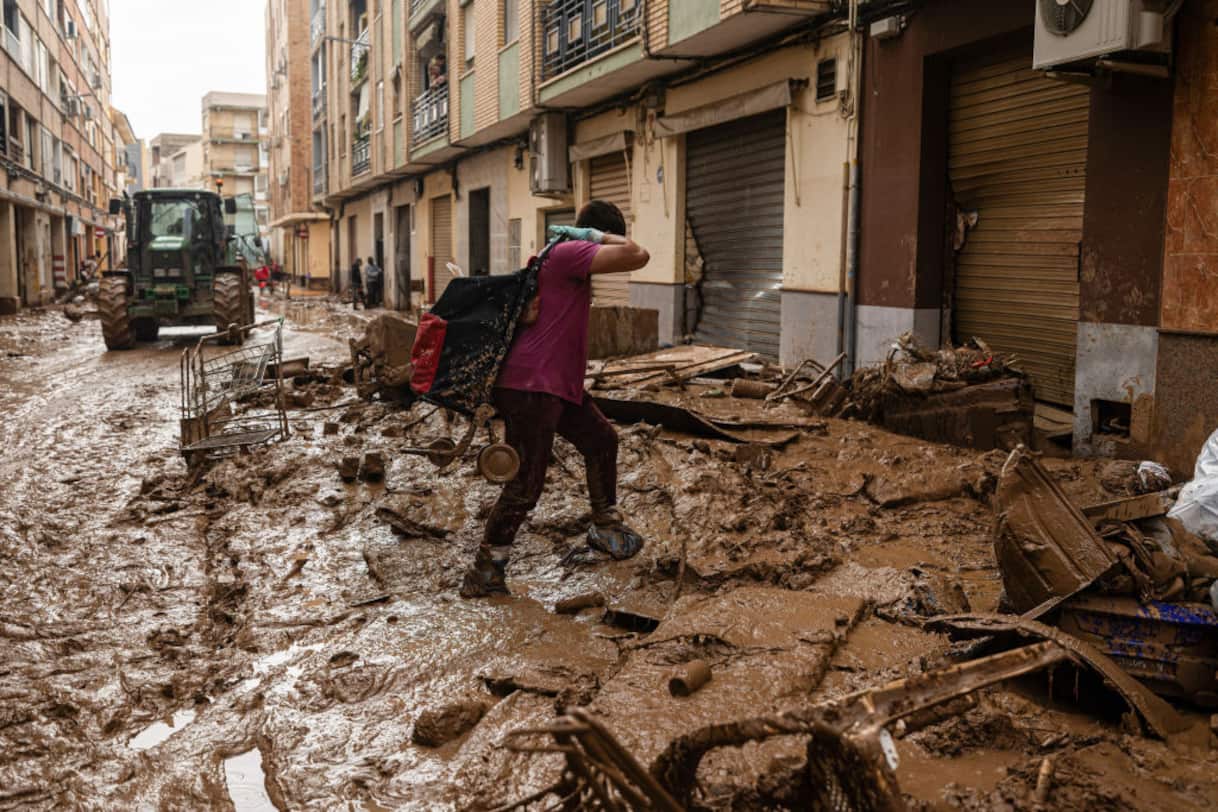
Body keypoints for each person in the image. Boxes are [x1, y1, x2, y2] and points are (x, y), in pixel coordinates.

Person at [460, 200, 651, 598]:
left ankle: (605, 526)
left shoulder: (567, 260)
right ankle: (486, 571)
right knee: (526, 484)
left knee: (601, 440)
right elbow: (638, 255)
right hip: (532, 385)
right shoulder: (569, 252)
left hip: (556, 385)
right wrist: (598, 237)